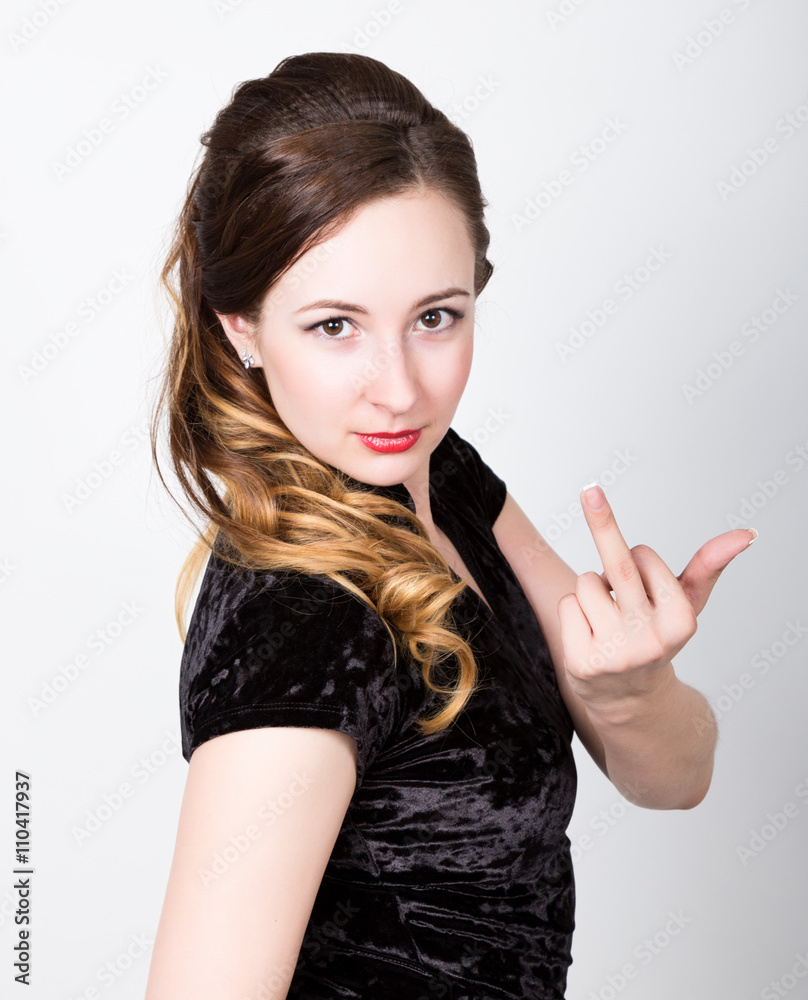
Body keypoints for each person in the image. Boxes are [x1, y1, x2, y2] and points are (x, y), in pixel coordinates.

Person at [144, 51, 755, 1000]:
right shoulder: (300, 623)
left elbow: (674, 779)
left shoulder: (437, 474)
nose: (400, 388)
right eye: (334, 326)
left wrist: (633, 689)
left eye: (435, 316)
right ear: (242, 327)